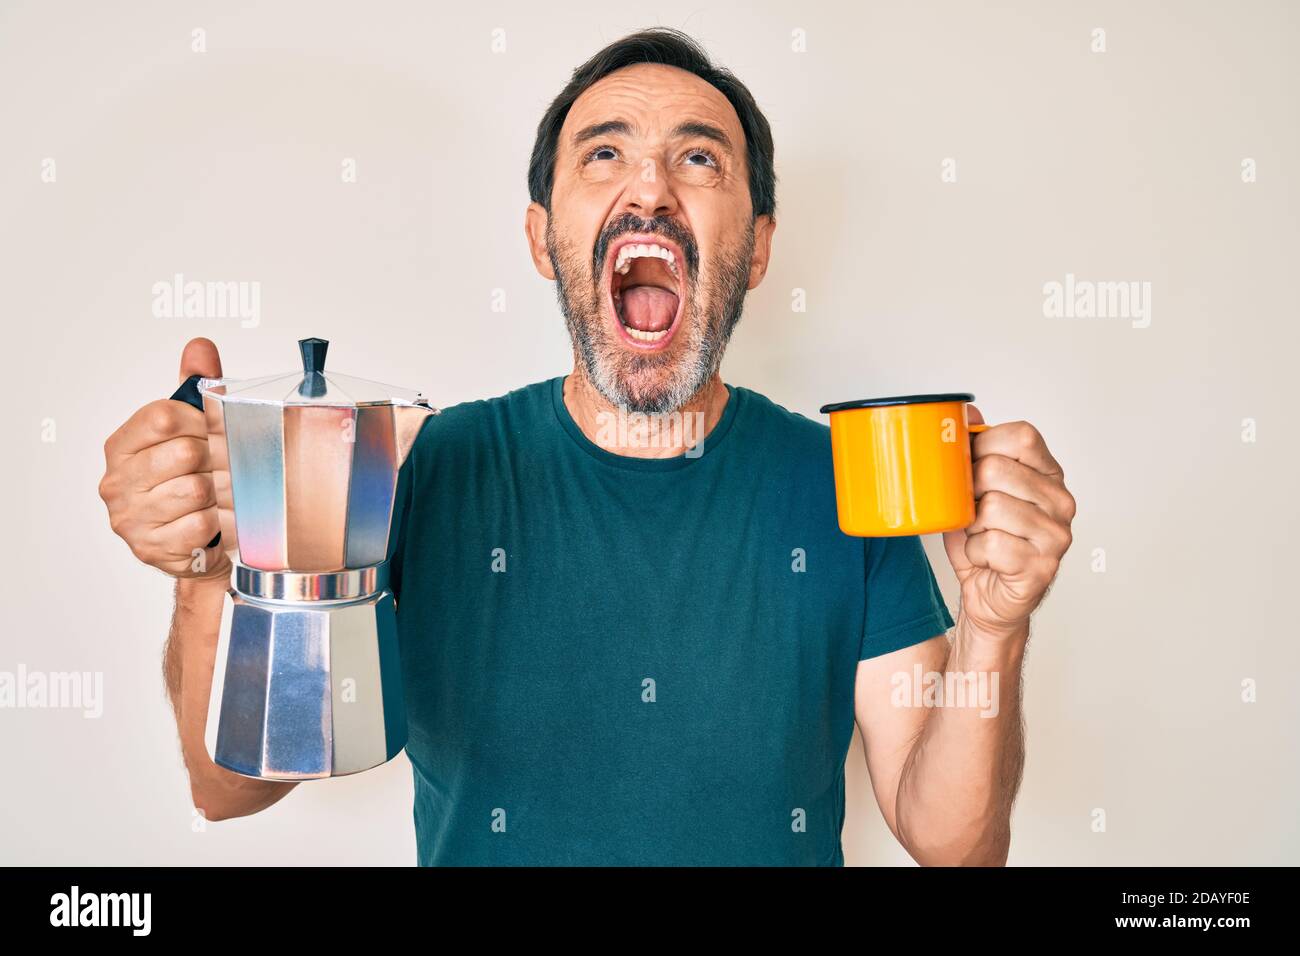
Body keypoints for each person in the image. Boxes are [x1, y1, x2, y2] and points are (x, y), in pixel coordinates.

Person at [99, 28, 1075, 866]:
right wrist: (210, 564)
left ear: (760, 243)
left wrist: (995, 626)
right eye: (602, 155)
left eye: (699, 159)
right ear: (541, 236)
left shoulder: (845, 482)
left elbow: (952, 842)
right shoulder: (413, 469)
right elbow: (231, 791)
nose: (649, 186)